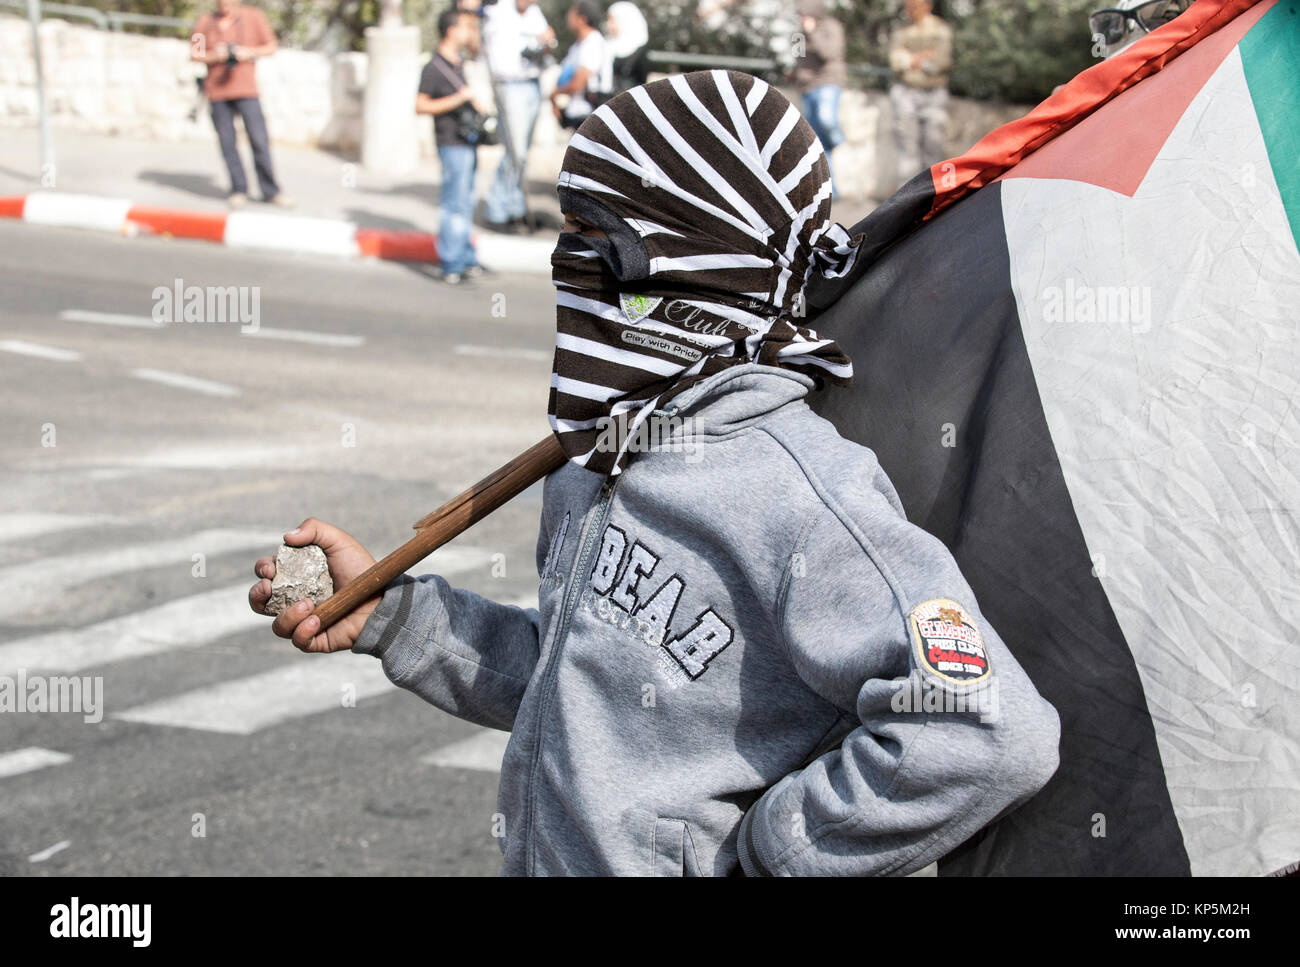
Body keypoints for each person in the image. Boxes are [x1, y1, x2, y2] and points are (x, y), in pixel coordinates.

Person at [250, 70, 1060, 877]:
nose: (567, 264)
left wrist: (767, 853)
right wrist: (394, 619)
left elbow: (984, 729)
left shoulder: (804, 499)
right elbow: (571, 683)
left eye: (595, 241)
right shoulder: (591, 460)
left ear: (687, 263)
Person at [191, 0, 292, 208]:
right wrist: (214, 55)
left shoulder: (253, 17)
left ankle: (271, 190)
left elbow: (271, 46)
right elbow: (195, 53)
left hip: (247, 90)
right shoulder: (205, 22)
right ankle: (238, 189)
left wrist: (248, 52)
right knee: (227, 143)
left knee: (259, 140)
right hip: (217, 92)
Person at [417, 8, 488, 284]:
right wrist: (459, 99)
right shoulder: (433, 67)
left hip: (467, 142)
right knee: (453, 203)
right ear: (450, 30)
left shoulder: (458, 63)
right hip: (450, 142)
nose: (469, 32)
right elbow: (420, 105)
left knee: (466, 201)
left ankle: (466, 256)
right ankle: (451, 262)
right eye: (465, 27)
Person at [481, 0, 557, 233]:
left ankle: (515, 208)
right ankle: (497, 209)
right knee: (515, 151)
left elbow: (547, 45)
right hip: (509, 85)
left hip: (531, 82)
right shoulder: (498, 11)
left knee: (522, 152)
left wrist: (546, 42)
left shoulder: (534, 13)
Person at [888, 0, 953, 189]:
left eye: (915, 5)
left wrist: (910, 59)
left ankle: (933, 195)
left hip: (934, 94)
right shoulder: (901, 31)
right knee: (907, 152)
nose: (911, 9)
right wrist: (924, 56)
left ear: (928, 5)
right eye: (908, 5)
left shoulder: (940, 29)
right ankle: (907, 199)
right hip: (905, 93)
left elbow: (941, 62)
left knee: (934, 148)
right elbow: (896, 62)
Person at [793, 0, 846, 198]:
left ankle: (838, 139)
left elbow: (830, 53)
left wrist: (813, 32)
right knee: (817, 141)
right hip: (807, 88)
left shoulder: (831, 27)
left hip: (828, 83)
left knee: (826, 120)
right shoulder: (799, 32)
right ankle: (832, 188)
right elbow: (798, 58)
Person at [550, 1, 613, 130]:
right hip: (577, 113)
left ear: (582, 19)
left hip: (590, 115)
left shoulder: (593, 44)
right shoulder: (578, 46)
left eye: (572, 13)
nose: (568, 17)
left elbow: (578, 83)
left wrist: (554, 94)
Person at [606, 2, 649, 95]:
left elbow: (642, 81)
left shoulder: (640, 47)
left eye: (612, 20)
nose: (608, 25)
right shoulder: (606, 45)